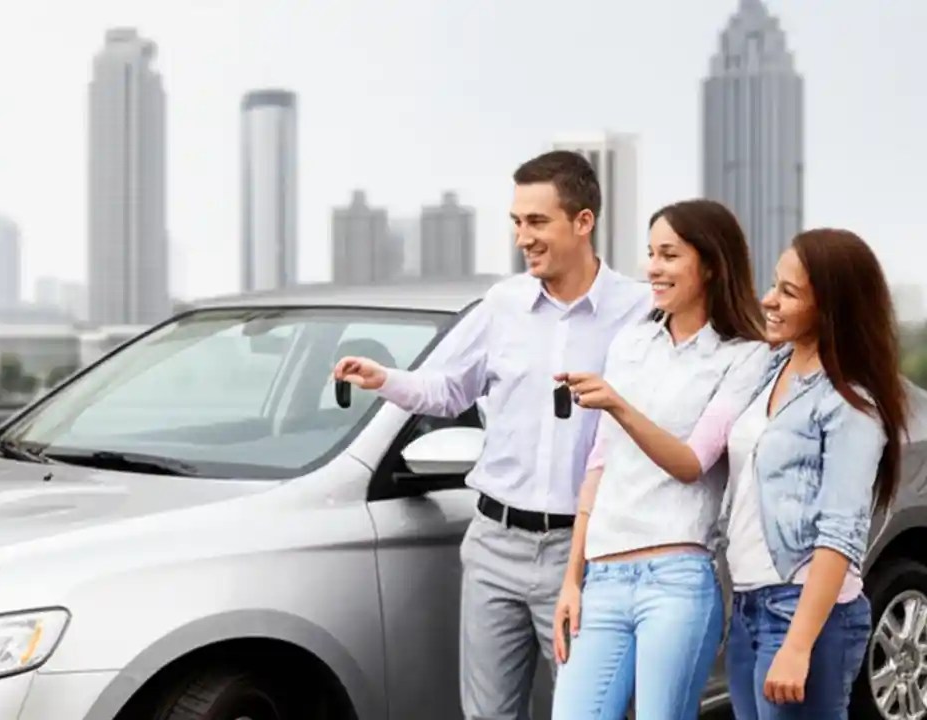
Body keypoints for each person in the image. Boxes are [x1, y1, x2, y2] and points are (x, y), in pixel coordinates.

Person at [333, 150, 652, 720]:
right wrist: (386, 380)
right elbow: (446, 390)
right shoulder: (501, 306)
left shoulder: (638, 311)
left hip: (588, 554)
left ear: (583, 222)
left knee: (592, 714)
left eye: (536, 222)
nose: (522, 237)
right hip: (494, 545)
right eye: (516, 222)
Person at [547, 199, 771, 719]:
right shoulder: (631, 341)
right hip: (602, 577)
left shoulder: (743, 354)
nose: (653, 267)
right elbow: (599, 465)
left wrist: (619, 406)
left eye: (669, 255)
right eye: (650, 253)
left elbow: (694, 462)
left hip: (677, 579)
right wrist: (572, 578)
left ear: (710, 263)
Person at [722, 229, 906, 719]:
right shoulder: (774, 367)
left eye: (789, 292)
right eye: (774, 284)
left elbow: (841, 533)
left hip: (803, 613)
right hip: (749, 606)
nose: (769, 300)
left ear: (832, 310)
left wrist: (799, 645)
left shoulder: (850, 405)